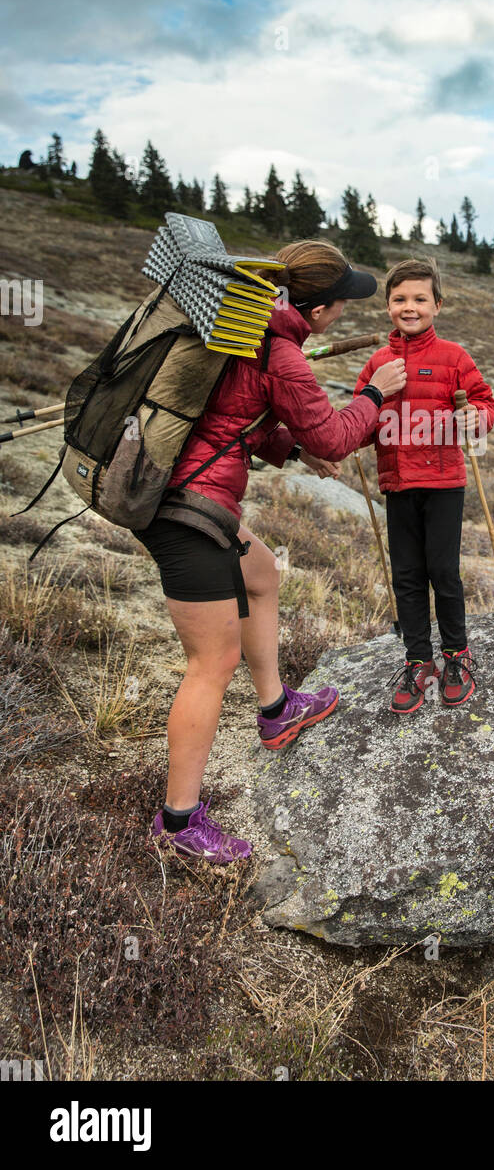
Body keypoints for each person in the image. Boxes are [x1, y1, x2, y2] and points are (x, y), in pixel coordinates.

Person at [138, 240, 406, 862]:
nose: (344, 313)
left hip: (186, 496)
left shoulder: (242, 326)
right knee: (210, 664)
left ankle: (277, 709)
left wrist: (289, 448)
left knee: (259, 575)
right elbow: (338, 438)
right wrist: (376, 396)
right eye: (341, 303)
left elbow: (238, 416)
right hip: (187, 512)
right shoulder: (282, 352)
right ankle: (178, 825)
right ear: (315, 311)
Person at [353, 257, 494, 714]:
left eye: (419, 299)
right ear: (388, 306)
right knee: (408, 577)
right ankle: (419, 661)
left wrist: (477, 418)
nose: (408, 307)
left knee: (444, 573)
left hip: (444, 482)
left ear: (437, 304)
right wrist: (357, 423)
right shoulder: (378, 362)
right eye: (399, 299)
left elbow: (484, 402)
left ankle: (457, 655)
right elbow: (360, 415)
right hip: (397, 483)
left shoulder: (454, 357)